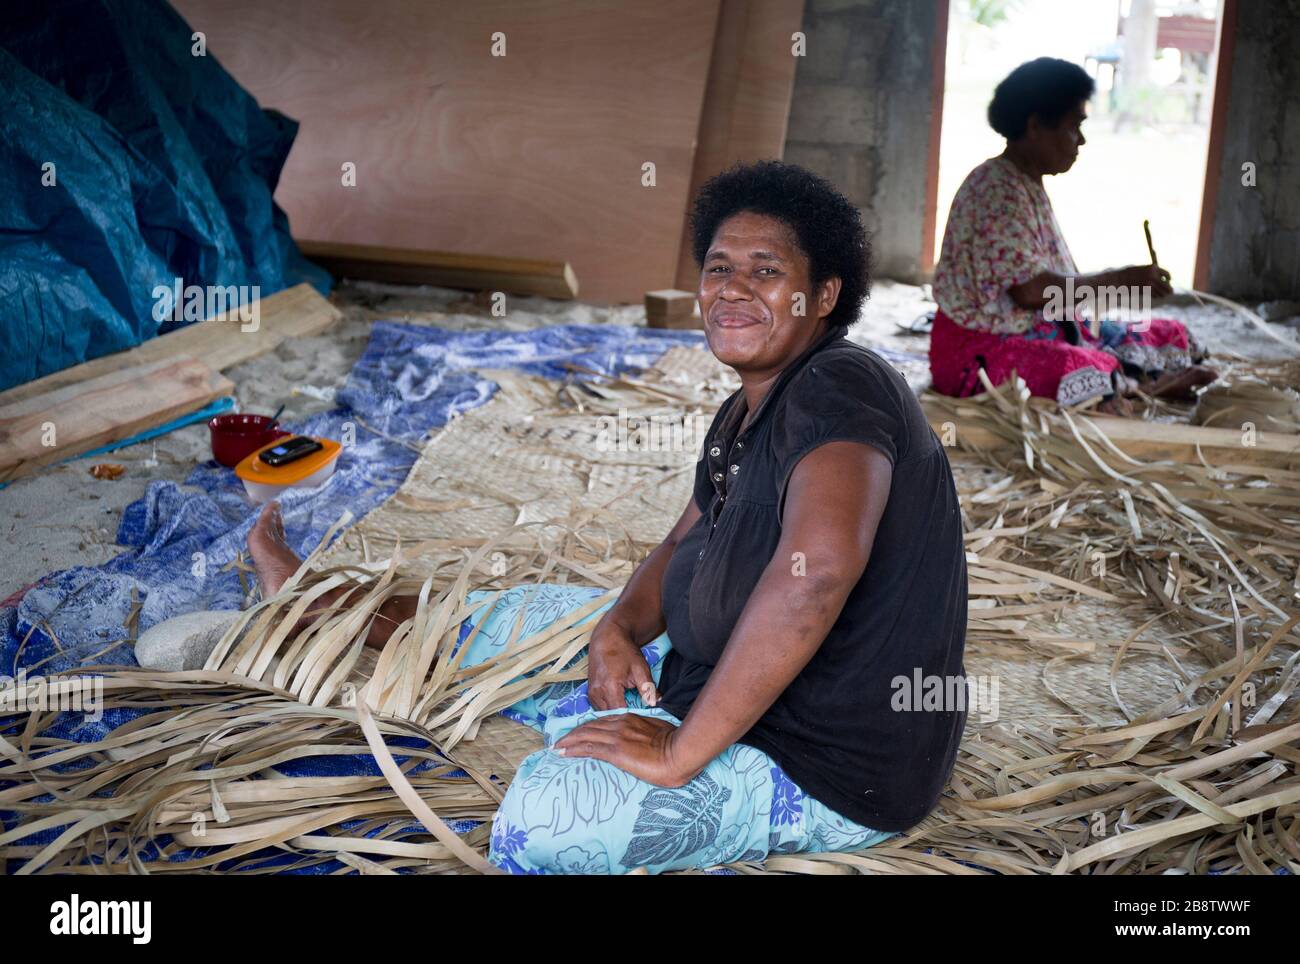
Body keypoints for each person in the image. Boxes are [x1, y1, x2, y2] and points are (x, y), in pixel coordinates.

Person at [247, 161, 968, 874]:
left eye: (766, 271)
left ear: (823, 294)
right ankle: (318, 605)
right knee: (525, 617)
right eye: (718, 269)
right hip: (708, 674)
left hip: (818, 763)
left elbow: (820, 573)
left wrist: (680, 752)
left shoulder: (843, 384)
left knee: (549, 824)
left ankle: (604, 723)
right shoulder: (743, 413)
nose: (733, 290)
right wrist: (620, 627)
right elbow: (685, 535)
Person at [930, 57, 1218, 415]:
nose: (1080, 139)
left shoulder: (1024, 182)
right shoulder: (996, 189)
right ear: (1035, 126)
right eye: (1074, 126)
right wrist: (1121, 280)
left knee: (1169, 335)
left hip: (1041, 330)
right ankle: (1148, 387)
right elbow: (1032, 292)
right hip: (978, 355)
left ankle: (1142, 385)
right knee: (1083, 369)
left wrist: (1124, 286)